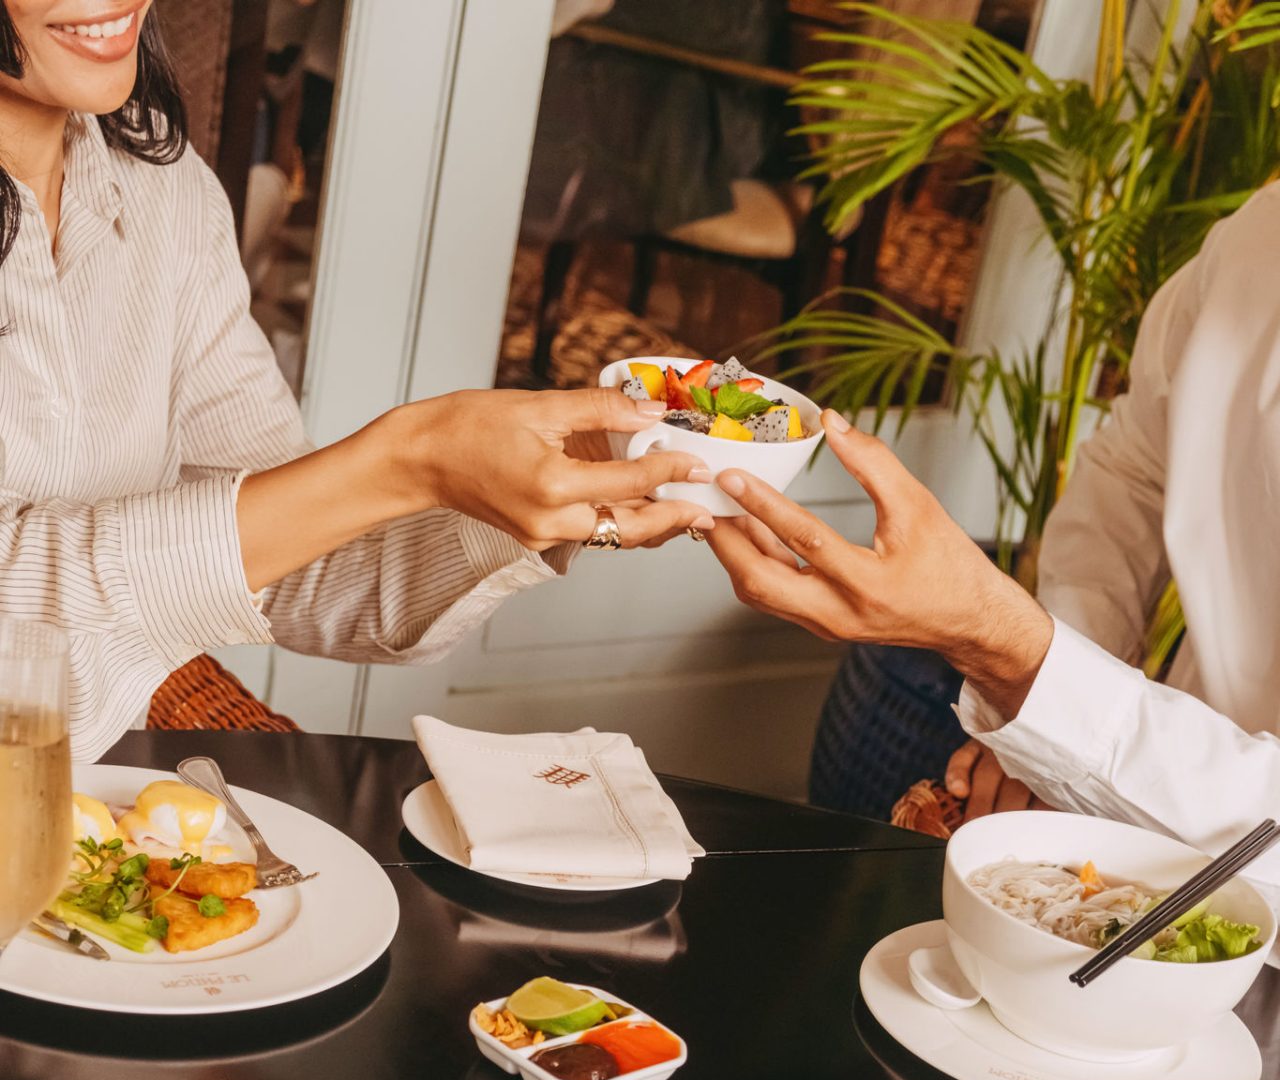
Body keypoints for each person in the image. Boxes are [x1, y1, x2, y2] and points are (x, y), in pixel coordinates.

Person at [0, 1, 714, 760]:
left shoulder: (162, 191)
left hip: (75, 805)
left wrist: (571, 472)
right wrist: (405, 458)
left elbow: (293, 566)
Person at [703, 411, 1280, 909]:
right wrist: (1051, 716)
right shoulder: (1211, 285)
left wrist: (1016, 654)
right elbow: (1124, 488)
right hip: (1144, 805)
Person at [945, 179, 1280, 820]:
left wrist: (1049, 694)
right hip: (1158, 822)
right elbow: (1135, 471)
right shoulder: (1257, 240)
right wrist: (1047, 712)